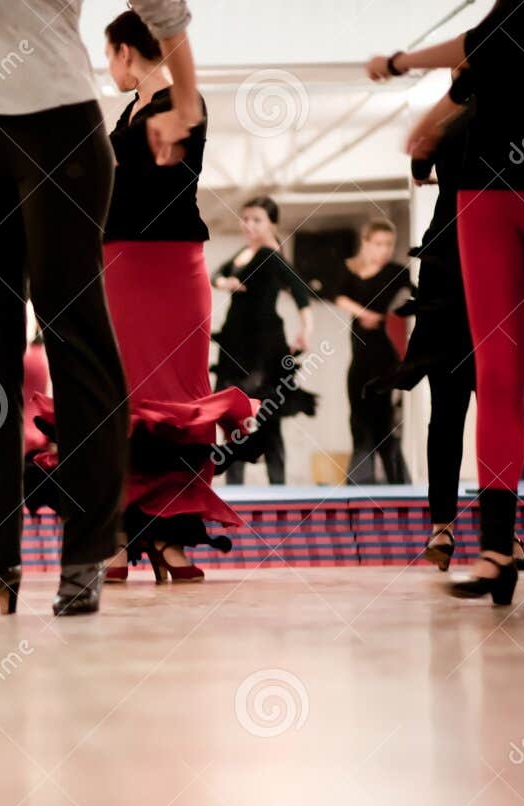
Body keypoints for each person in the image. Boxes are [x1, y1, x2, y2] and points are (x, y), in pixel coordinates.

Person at [0, 0, 201, 617]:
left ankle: (87, 555)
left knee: (74, 333)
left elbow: (161, 7)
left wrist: (189, 99)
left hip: (63, 126)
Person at [369, 0, 524, 606]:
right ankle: (495, 550)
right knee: (498, 370)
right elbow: (476, 75)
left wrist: (400, 62)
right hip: (485, 186)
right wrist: (431, 125)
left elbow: (487, 43)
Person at [99, 9, 255, 585]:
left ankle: (170, 536)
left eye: (107, 54)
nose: (107, 66)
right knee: (123, 395)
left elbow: (152, 182)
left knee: (179, 397)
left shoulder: (183, 102)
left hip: (171, 262)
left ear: (123, 51)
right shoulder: (127, 113)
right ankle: (116, 536)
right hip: (119, 264)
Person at [212, 196, 314, 486]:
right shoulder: (244, 252)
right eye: (245, 218)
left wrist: (306, 329)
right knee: (234, 417)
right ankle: (234, 487)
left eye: (257, 219)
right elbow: (215, 274)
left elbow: (299, 291)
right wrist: (225, 283)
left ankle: (278, 486)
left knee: (267, 417)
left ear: (272, 224)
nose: (249, 225)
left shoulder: (270, 254)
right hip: (235, 342)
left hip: (263, 344)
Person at [332, 219, 412, 485]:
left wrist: (384, 317)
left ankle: (399, 485)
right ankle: (359, 487)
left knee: (384, 426)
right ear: (366, 243)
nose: (384, 249)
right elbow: (338, 296)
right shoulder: (350, 271)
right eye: (378, 244)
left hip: (386, 359)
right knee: (358, 423)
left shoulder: (397, 272)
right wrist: (364, 313)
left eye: (389, 244)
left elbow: (407, 301)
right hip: (360, 360)